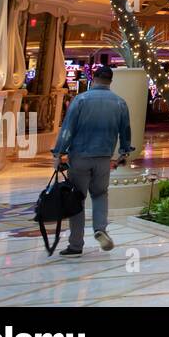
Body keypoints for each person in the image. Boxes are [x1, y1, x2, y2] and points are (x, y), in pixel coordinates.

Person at [51, 64, 132, 256]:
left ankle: (76, 245)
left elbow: (68, 129)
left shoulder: (81, 100)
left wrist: (58, 153)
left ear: (93, 79)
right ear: (111, 81)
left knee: (77, 198)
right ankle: (100, 229)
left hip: (79, 157)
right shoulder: (119, 102)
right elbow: (125, 131)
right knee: (100, 194)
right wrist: (123, 152)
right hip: (104, 158)